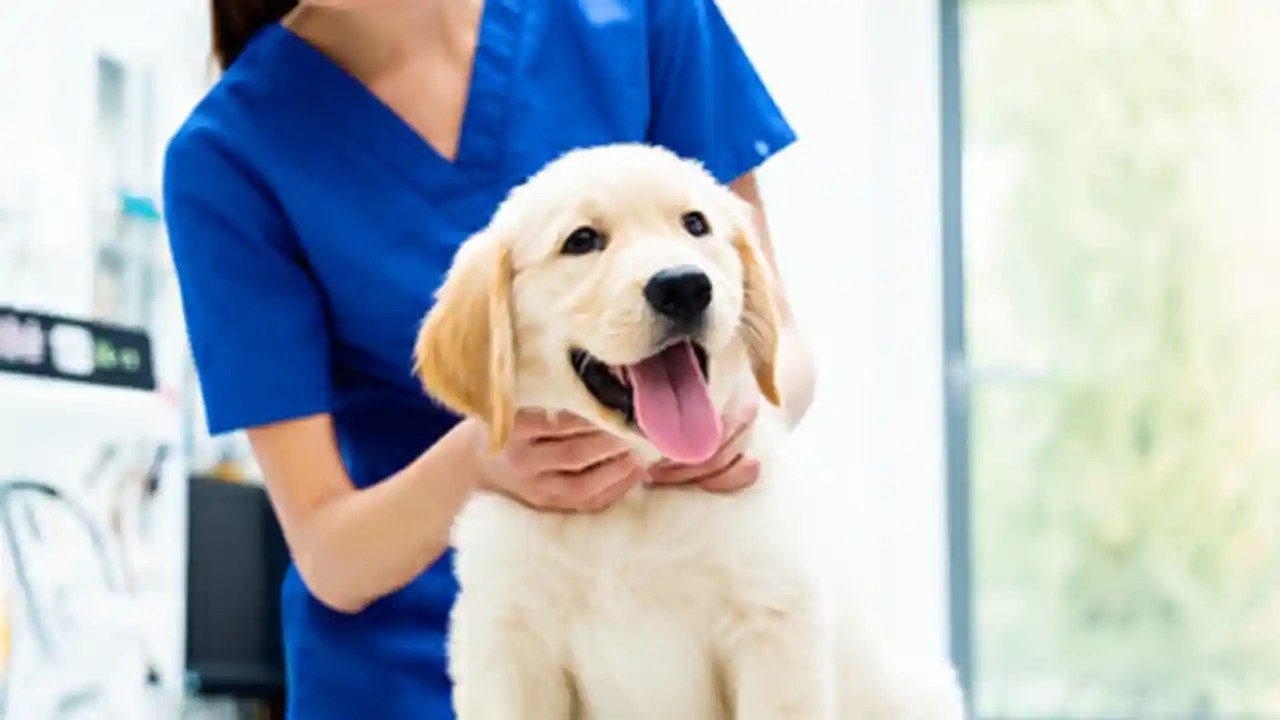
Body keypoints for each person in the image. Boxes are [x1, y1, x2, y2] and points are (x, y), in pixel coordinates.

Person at [163, 0, 815, 717]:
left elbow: (780, 348)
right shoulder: (230, 153)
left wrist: (736, 413)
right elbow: (330, 555)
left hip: (669, 657)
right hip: (404, 675)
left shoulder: (647, 19)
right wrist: (483, 455)